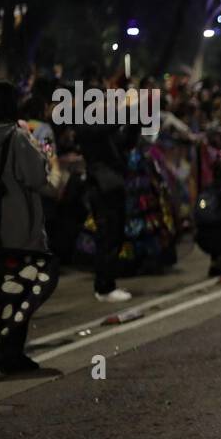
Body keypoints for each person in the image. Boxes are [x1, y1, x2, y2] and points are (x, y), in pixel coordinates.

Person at [0, 79, 59, 372]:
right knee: (24, 289)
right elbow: (36, 177)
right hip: (17, 225)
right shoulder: (16, 136)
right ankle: (11, 352)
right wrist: (41, 153)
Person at [76, 87, 138, 303]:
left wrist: (135, 120)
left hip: (114, 186)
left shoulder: (104, 126)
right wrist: (126, 110)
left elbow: (125, 142)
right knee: (107, 235)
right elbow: (105, 127)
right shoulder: (87, 125)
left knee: (115, 234)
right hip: (101, 188)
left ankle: (108, 282)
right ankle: (104, 287)